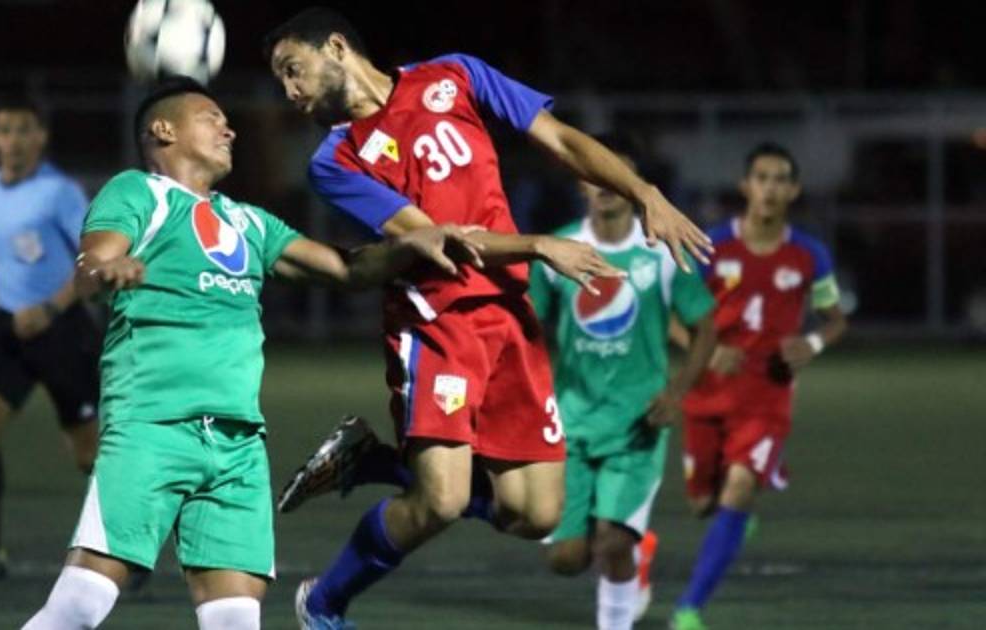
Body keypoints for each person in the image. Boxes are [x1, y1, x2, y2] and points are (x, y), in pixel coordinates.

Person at [263, 8, 713, 627]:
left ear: (336, 47)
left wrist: (647, 194)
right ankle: (325, 601)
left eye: (293, 70)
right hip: (436, 321)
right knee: (441, 502)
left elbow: (561, 139)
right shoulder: (336, 160)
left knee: (538, 516)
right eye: (282, 80)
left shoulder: (456, 75)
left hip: (509, 315)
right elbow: (433, 238)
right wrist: (536, 245)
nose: (289, 91)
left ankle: (371, 462)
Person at [21, 77, 491, 630]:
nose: (230, 127)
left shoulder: (250, 222)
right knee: (79, 605)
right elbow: (92, 263)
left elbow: (345, 268)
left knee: (237, 623)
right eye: (211, 116)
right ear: (163, 130)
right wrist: (107, 270)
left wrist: (415, 242)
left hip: (238, 446)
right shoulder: (137, 193)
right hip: (153, 426)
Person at [528, 140, 716, 630]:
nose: (605, 186)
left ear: (632, 188)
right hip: (572, 421)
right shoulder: (557, 250)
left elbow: (705, 328)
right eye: (596, 175)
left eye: (617, 176)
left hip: (638, 423)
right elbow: (528, 330)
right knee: (566, 558)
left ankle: (623, 556)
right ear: (581, 182)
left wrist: (676, 393)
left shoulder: (662, 251)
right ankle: (631, 548)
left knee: (611, 543)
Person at [670, 143, 848, 630]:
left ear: (793, 190)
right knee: (701, 504)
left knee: (740, 487)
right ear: (746, 186)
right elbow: (673, 318)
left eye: (780, 180)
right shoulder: (711, 247)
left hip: (766, 397)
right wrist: (703, 348)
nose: (770, 188)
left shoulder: (810, 255)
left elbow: (835, 319)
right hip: (707, 392)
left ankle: (689, 609)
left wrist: (812, 342)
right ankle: (738, 513)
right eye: (761, 178)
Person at [0, 98, 101, 589]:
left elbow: (95, 262)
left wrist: (49, 308)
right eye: (4, 130)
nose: (13, 140)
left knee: (88, 456)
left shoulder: (60, 192)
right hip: (8, 331)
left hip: (65, 333)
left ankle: (121, 551)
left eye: (23, 130)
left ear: (40, 138)